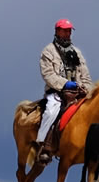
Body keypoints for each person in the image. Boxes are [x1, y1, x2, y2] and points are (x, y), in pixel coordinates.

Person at [35, 18, 92, 163]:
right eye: (65, 31)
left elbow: (85, 75)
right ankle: (45, 146)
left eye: (69, 31)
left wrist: (87, 89)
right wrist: (66, 84)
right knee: (51, 111)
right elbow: (48, 74)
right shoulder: (48, 51)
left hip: (78, 92)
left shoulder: (77, 52)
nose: (68, 34)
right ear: (57, 31)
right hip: (57, 92)